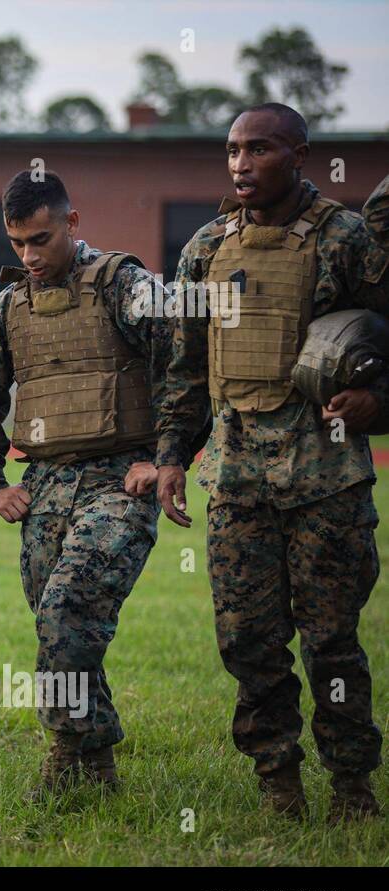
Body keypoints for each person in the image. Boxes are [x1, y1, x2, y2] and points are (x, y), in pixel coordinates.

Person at [156, 104, 389, 821]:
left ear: (299, 155)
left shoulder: (346, 239)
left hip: (326, 478)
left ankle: (352, 786)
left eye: (260, 149)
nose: (241, 163)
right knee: (248, 640)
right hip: (235, 479)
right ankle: (277, 781)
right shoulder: (205, 247)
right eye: (232, 150)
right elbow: (185, 365)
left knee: (332, 643)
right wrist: (170, 455)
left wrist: (375, 399)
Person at [0, 170, 192, 799]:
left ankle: (64, 758)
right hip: (46, 487)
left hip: (121, 482)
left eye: (41, 239)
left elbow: (184, 367)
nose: (30, 257)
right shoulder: (4, 311)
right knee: (65, 633)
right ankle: (100, 771)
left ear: (73, 222)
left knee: (66, 616)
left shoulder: (125, 286)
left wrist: (164, 458)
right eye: (18, 244)